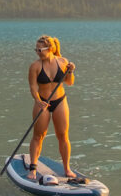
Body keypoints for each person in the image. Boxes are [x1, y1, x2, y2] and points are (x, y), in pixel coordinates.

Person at [27, 35, 87, 184]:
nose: (37, 52)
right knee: (38, 135)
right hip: (43, 103)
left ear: (50, 49)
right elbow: (33, 87)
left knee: (63, 135)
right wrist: (38, 100)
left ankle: (67, 168)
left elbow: (69, 83)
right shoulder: (35, 66)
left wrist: (70, 71)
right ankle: (33, 168)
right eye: (36, 49)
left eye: (40, 49)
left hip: (60, 101)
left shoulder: (63, 62)